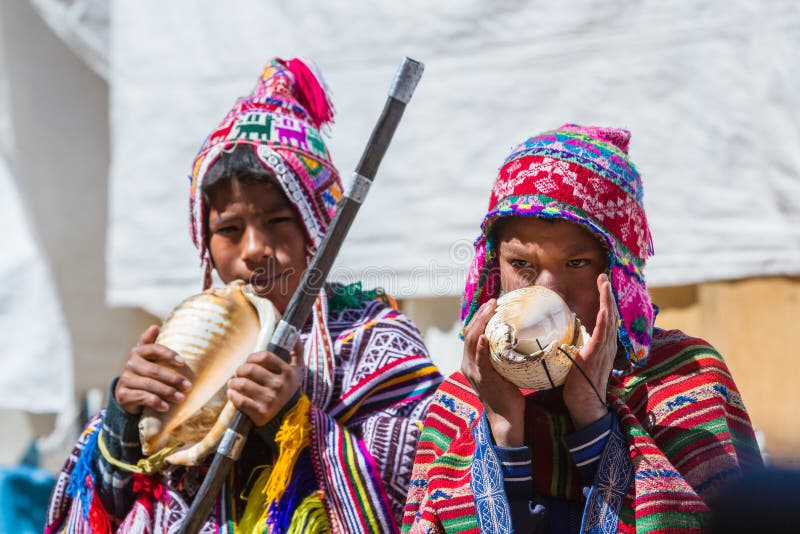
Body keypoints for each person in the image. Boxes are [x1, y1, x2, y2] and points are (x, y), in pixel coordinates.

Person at [45, 57, 442, 533]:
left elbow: (421, 492)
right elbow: (104, 505)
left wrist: (294, 420)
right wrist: (124, 418)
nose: (254, 250)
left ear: (315, 226)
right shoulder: (177, 350)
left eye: (276, 222)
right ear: (206, 244)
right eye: (229, 229)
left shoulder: (374, 341)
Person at [403, 125, 763, 533]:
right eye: (521, 265)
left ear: (620, 274)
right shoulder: (463, 402)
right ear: (493, 268)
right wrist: (503, 429)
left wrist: (592, 416)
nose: (546, 293)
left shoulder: (687, 381)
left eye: (577, 263)